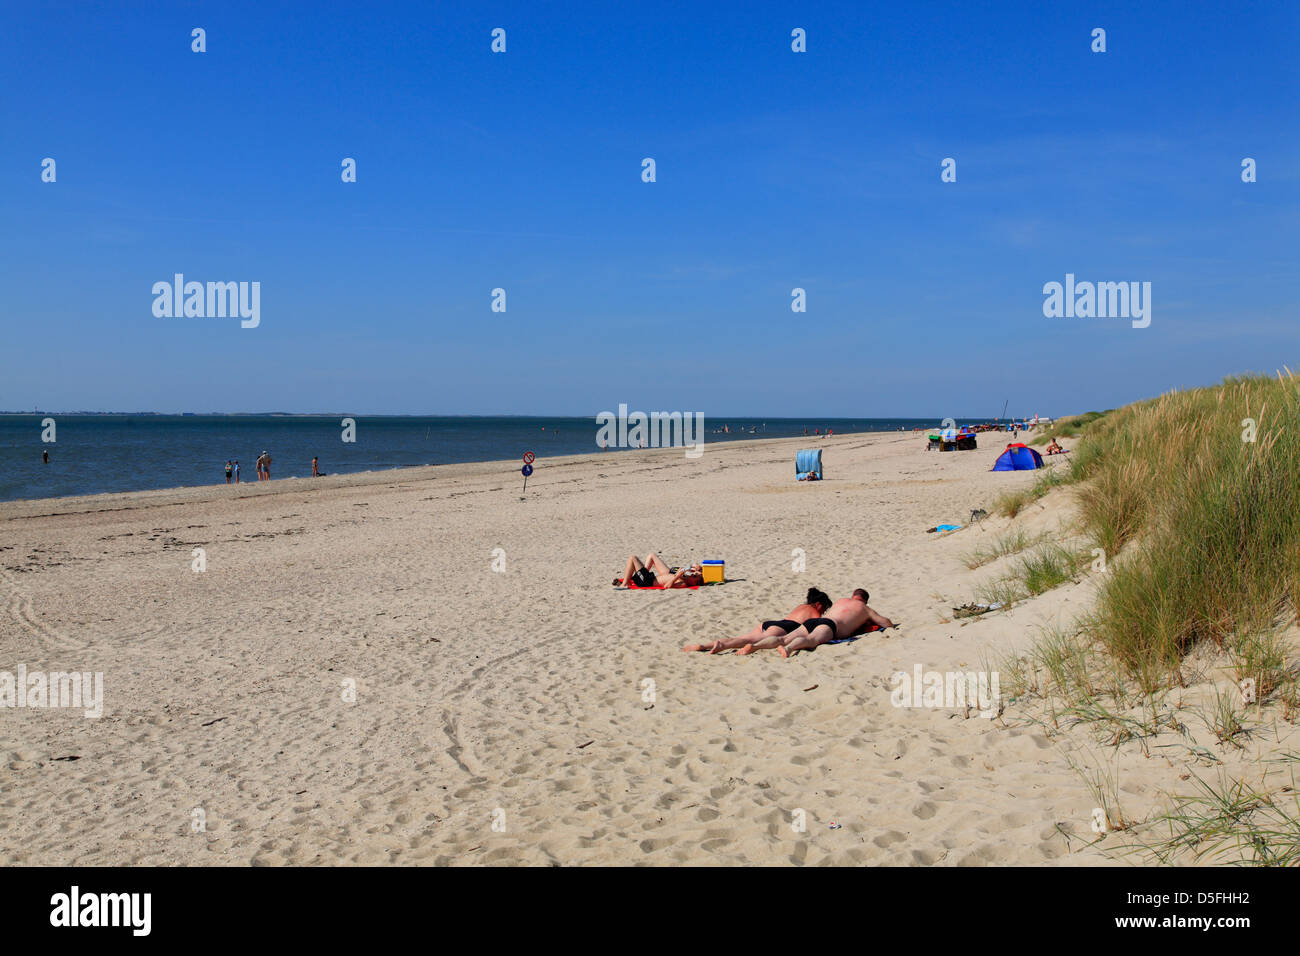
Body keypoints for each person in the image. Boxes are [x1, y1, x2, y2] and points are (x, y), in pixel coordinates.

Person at [739, 589, 896, 657]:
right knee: (811, 640)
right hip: (829, 625)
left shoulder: (841, 601)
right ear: (865, 600)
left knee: (783, 637)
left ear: (853, 595)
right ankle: (788, 649)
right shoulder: (864, 608)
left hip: (815, 620)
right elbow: (886, 623)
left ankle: (755, 646)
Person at [684, 588, 832, 653]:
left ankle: (705, 645)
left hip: (771, 623)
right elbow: (815, 627)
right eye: (824, 608)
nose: (823, 611)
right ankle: (722, 646)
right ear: (818, 604)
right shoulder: (814, 612)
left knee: (744, 637)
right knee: (749, 641)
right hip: (786, 627)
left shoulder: (801, 606)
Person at [614, 554, 703, 589]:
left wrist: (677, 576)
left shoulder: (683, 584)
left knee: (633, 558)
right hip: (649, 578)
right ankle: (637, 576)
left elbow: (667, 586)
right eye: (694, 574)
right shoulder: (684, 578)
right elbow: (673, 572)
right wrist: (693, 568)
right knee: (651, 556)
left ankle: (625, 584)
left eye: (694, 576)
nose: (692, 575)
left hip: (646, 581)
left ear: (694, 582)